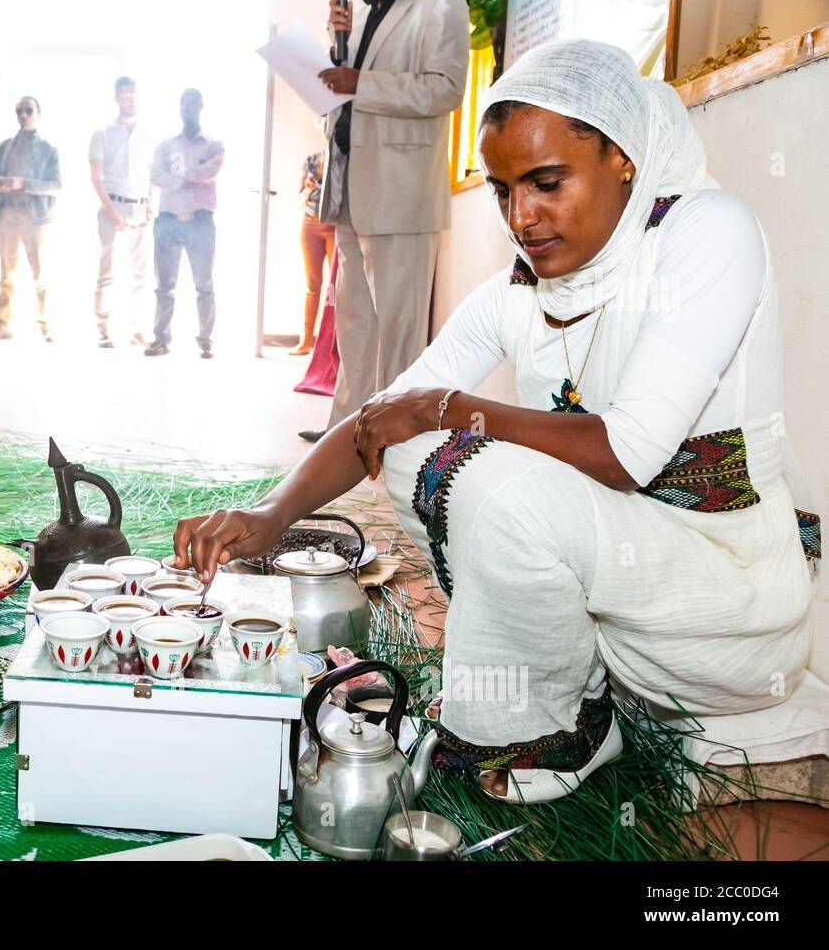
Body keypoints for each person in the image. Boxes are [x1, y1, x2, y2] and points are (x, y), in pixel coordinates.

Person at [172, 40, 817, 806]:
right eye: (505, 190)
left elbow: (626, 452)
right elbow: (381, 423)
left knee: (493, 484)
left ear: (624, 158)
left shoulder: (710, 231)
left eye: (547, 183)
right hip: (615, 596)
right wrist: (274, 515)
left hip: (719, 611)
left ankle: (562, 734)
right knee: (413, 449)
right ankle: (579, 702)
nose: (522, 217)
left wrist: (448, 409)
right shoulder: (523, 286)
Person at [300, 0, 469, 440]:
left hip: (401, 190)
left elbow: (446, 88)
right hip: (351, 184)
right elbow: (339, 94)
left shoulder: (441, 4)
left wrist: (360, 81)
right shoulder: (357, 15)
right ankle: (344, 432)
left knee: (399, 331)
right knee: (353, 323)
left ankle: (394, 437)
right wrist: (331, 48)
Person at [146, 88, 223, 360]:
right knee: (164, 285)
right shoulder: (166, 145)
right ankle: (160, 338)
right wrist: (183, 180)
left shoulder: (213, 145)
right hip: (167, 220)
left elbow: (210, 171)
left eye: (191, 104)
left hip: (201, 222)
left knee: (204, 283)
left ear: (201, 106)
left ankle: (205, 340)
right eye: (182, 104)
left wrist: (180, 176)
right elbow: (155, 173)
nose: (186, 108)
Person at [0, 96, 61, 342]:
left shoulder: (48, 149)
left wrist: (23, 184)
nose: (24, 115)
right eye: (19, 111)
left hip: (35, 217)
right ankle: (3, 324)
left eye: (28, 111)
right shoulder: (6, 146)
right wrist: (1, 184)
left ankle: (45, 324)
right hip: (8, 213)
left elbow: (56, 185)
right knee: (6, 273)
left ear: (38, 113)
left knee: (40, 273)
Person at [89, 76, 151, 349]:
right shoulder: (102, 133)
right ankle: (104, 329)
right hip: (111, 205)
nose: (131, 100)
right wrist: (111, 211)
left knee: (140, 273)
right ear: (116, 97)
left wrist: (151, 202)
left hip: (139, 206)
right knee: (108, 271)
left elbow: (153, 172)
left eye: (135, 95)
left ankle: (137, 328)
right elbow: (96, 177)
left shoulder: (148, 132)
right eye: (126, 95)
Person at [293, 151, 334, 357]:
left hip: (335, 226)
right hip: (309, 224)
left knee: (335, 288)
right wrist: (307, 189)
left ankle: (330, 344)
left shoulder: (342, 156)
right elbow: (299, 196)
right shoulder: (310, 160)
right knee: (312, 285)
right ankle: (306, 342)